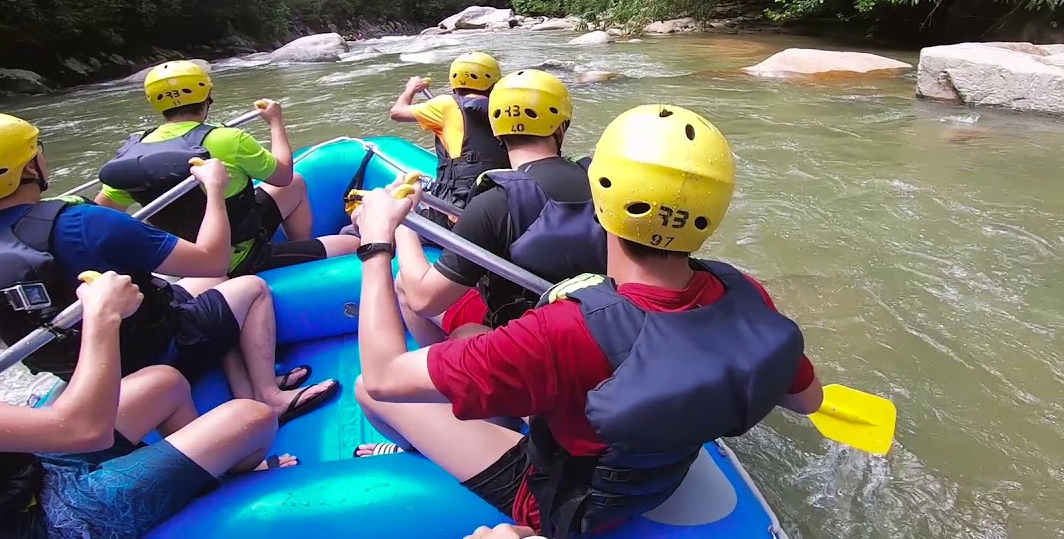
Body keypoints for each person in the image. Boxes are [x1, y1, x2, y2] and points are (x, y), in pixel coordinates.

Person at [348, 104, 824, 537]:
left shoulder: (561, 329)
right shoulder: (743, 289)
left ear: (601, 198)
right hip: (663, 475)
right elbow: (808, 400)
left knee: (367, 391)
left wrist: (377, 242)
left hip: (567, 502)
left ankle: (431, 467)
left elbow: (385, 375)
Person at [0, 113, 338, 424]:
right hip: (155, 351)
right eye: (36, 149)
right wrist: (213, 190)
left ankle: (242, 385)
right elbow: (212, 258)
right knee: (249, 286)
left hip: (79, 374)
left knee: (210, 284)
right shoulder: (82, 222)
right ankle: (269, 395)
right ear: (26, 168)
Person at [0, 270, 293, 539]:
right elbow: (85, 431)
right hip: (41, 526)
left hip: (23, 477)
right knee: (251, 417)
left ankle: (203, 475)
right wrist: (103, 313)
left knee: (163, 382)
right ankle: (214, 475)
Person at [393, 69, 605, 347]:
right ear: (561, 127)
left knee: (406, 286)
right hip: (601, 320)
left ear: (495, 130)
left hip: (531, 338)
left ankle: (441, 374)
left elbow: (423, 300)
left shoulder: (493, 202)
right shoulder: (601, 179)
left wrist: (404, 220)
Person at [96, 60, 357, 276]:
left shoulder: (134, 152)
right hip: (241, 256)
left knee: (297, 183)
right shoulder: (228, 139)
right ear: (207, 96)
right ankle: (297, 255)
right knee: (352, 243)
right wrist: (275, 122)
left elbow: (103, 211)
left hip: (187, 254)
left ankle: (296, 248)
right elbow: (282, 175)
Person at [387, 51, 509, 230]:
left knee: (366, 220)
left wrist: (410, 89)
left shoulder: (445, 104)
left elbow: (396, 113)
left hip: (453, 214)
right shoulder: (503, 108)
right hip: (497, 211)